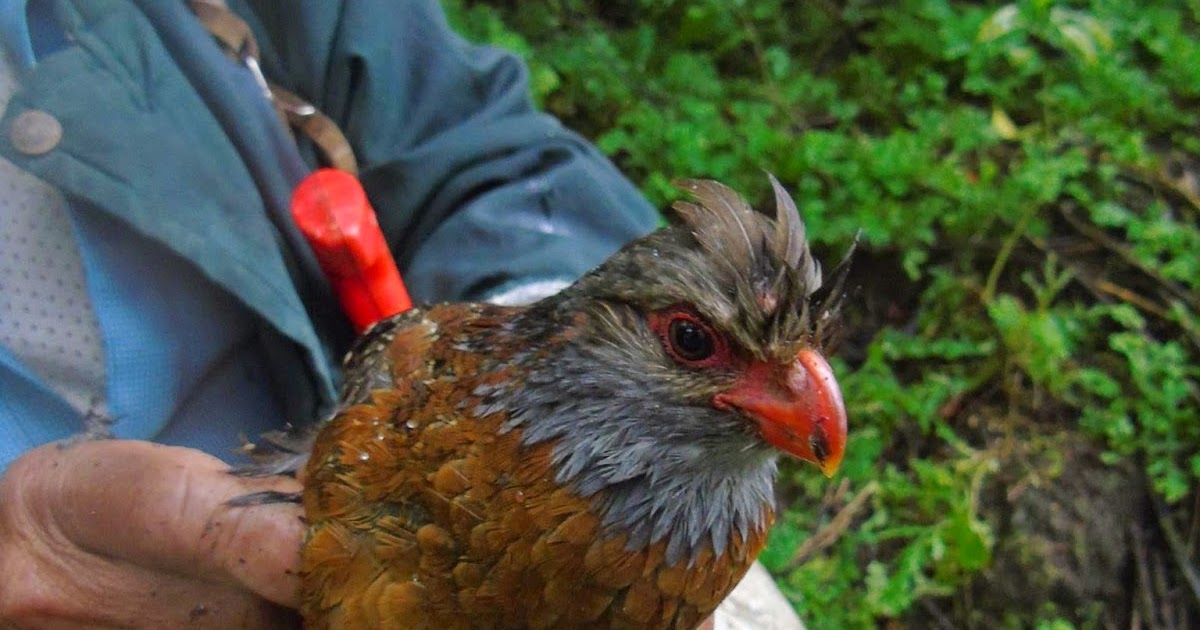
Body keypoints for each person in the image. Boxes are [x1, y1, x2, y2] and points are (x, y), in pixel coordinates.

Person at [0, 1, 803, 628]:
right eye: (696, 343)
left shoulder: (711, 502)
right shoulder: (426, 459)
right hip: (278, 520)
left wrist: (532, 313)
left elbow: (466, 136)